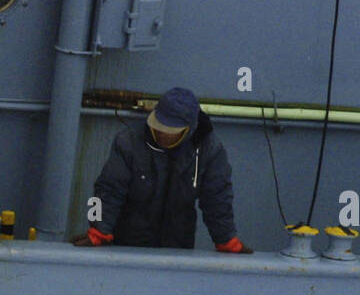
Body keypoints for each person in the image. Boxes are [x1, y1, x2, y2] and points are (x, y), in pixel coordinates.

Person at [74, 87, 250, 252]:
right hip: (127, 244)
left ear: (190, 129)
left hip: (178, 247)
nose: (164, 134)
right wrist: (98, 229)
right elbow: (107, 189)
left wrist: (226, 238)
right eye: (160, 127)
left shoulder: (209, 150)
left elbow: (218, 197)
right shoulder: (128, 142)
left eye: (171, 130)